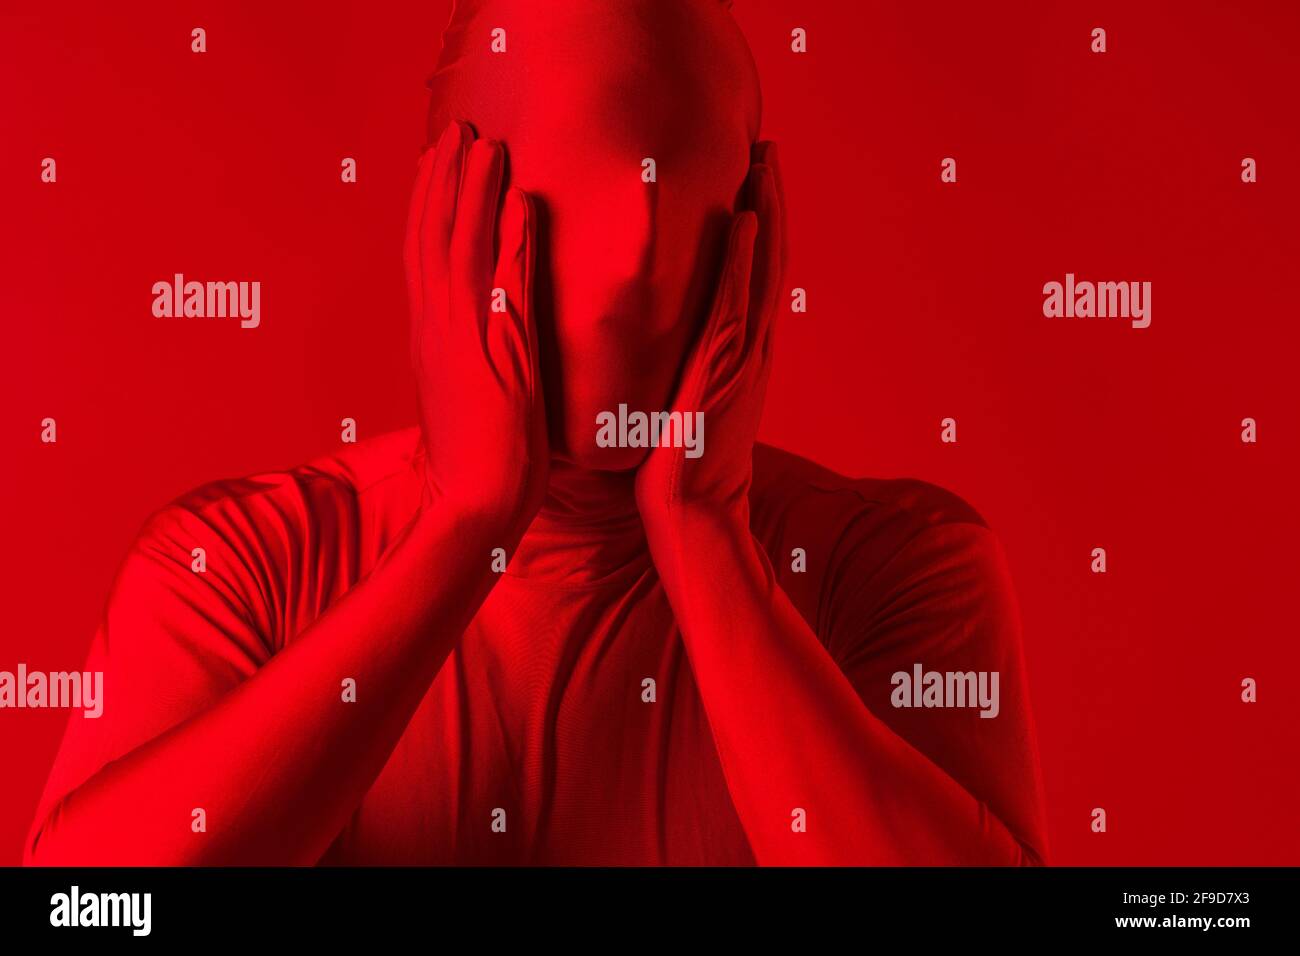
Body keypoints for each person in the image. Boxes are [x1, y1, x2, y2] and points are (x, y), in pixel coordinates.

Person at [25, 0, 1047, 866]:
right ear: (449, 214)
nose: (639, 250)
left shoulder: (897, 571)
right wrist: (465, 527)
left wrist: (706, 532)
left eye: (684, 196)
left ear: (757, 231)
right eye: (566, 203)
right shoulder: (241, 567)